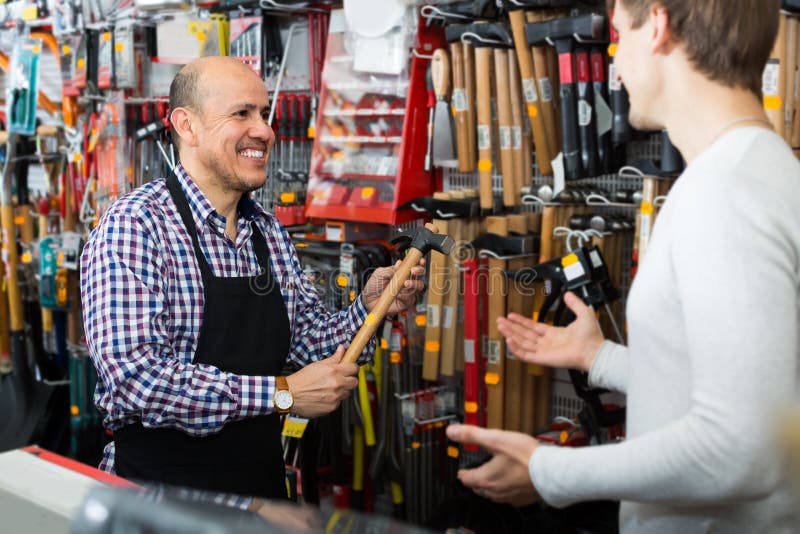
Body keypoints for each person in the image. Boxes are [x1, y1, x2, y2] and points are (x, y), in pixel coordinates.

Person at [447, 0, 800, 531]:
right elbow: (759, 392)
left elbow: (744, 449)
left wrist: (551, 470)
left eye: (618, 35)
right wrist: (600, 358)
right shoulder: (765, 173)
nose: (613, 65)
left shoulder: (724, 195)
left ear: (656, 25)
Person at [80, 56, 425, 510]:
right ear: (187, 125)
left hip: (261, 493)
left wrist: (368, 308)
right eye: (242, 113)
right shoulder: (136, 226)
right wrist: (282, 394)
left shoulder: (266, 231)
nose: (264, 131)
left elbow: (308, 346)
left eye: (265, 114)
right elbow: (137, 380)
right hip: (162, 503)